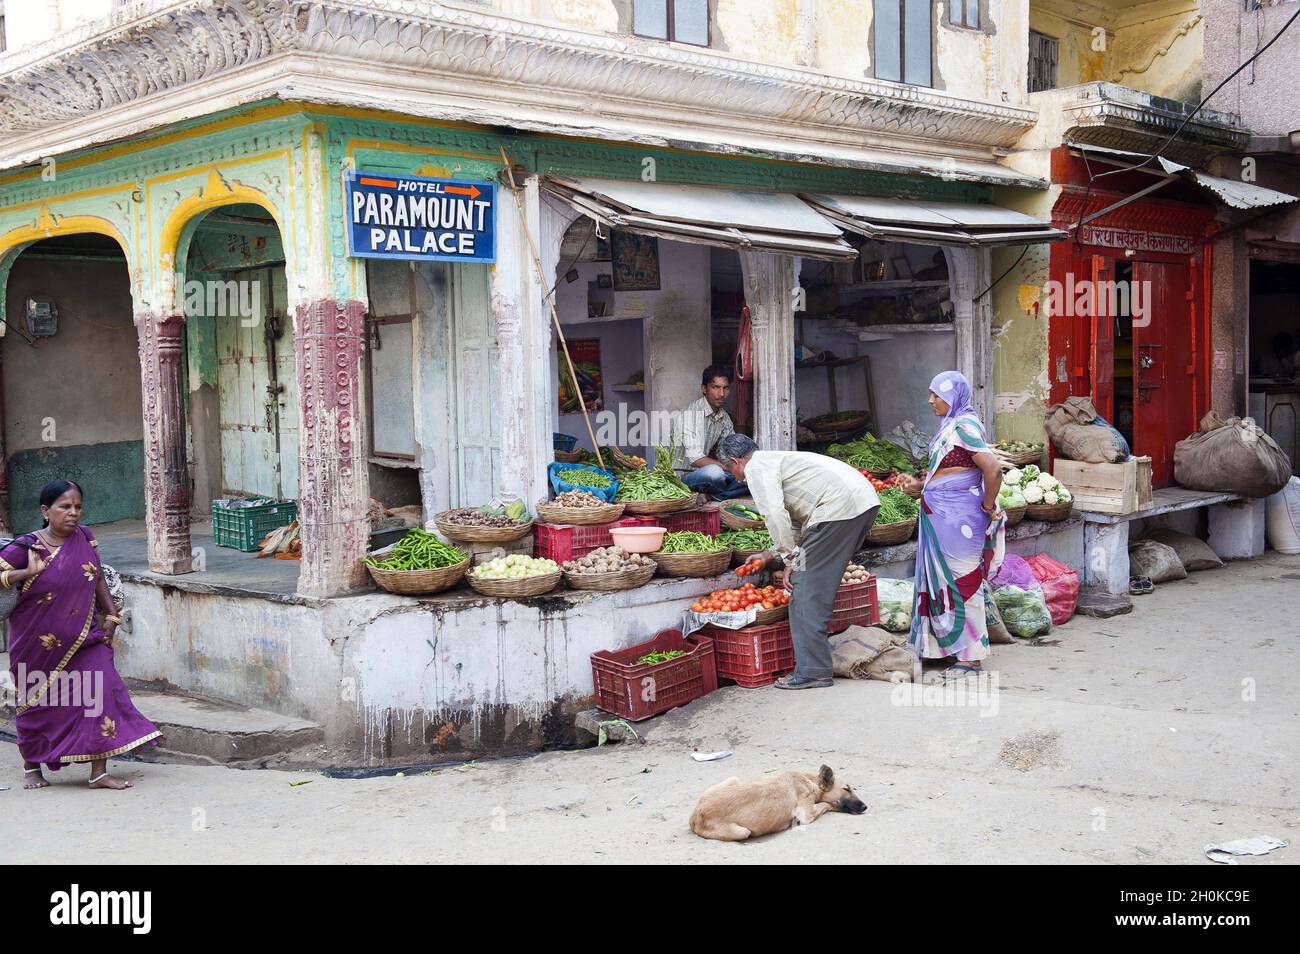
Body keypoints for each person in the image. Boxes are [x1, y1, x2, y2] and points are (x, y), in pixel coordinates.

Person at [2, 480, 161, 790]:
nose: (73, 513)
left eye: (77, 507)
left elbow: (97, 574)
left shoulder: (85, 536)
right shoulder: (27, 547)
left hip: (86, 637)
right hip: (35, 643)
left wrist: (112, 616)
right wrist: (26, 573)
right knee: (39, 702)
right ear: (45, 511)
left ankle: (99, 772)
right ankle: (32, 765)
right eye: (65, 507)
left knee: (99, 690)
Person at [722, 434, 880, 689]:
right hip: (861, 504)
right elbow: (797, 519)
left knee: (805, 588)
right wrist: (771, 554)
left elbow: (775, 514)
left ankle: (813, 671)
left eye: (730, 470)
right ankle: (814, 666)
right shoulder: (776, 460)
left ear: (735, 461)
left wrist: (791, 559)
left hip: (837, 510)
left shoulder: (755, 468)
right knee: (809, 580)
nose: (734, 477)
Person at [894, 371, 1005, 678]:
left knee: (963, 583)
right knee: (939, 584)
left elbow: (993, 470)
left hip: (959, 521)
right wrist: (919, 486)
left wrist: (987, 505)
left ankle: (970, 658)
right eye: (931, 393)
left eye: (937, 394)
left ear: (953, 397)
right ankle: (941, 648)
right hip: (940, 518)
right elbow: (951, 470)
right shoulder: (950, 426)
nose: (931, 400)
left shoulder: (965, 425)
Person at [675, 364, 748, 500]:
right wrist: (728, 468)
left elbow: (731, 451)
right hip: (682, 477)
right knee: (715, 473)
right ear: (704, 389)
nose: (721, 394)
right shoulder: (690, 414)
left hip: (708, 475)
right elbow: (695, 459)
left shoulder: (724, 417)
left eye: (725, 388)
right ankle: (720, 494)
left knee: (750, 477)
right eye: (716, 387)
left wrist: (742, 466)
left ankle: (712, 496)